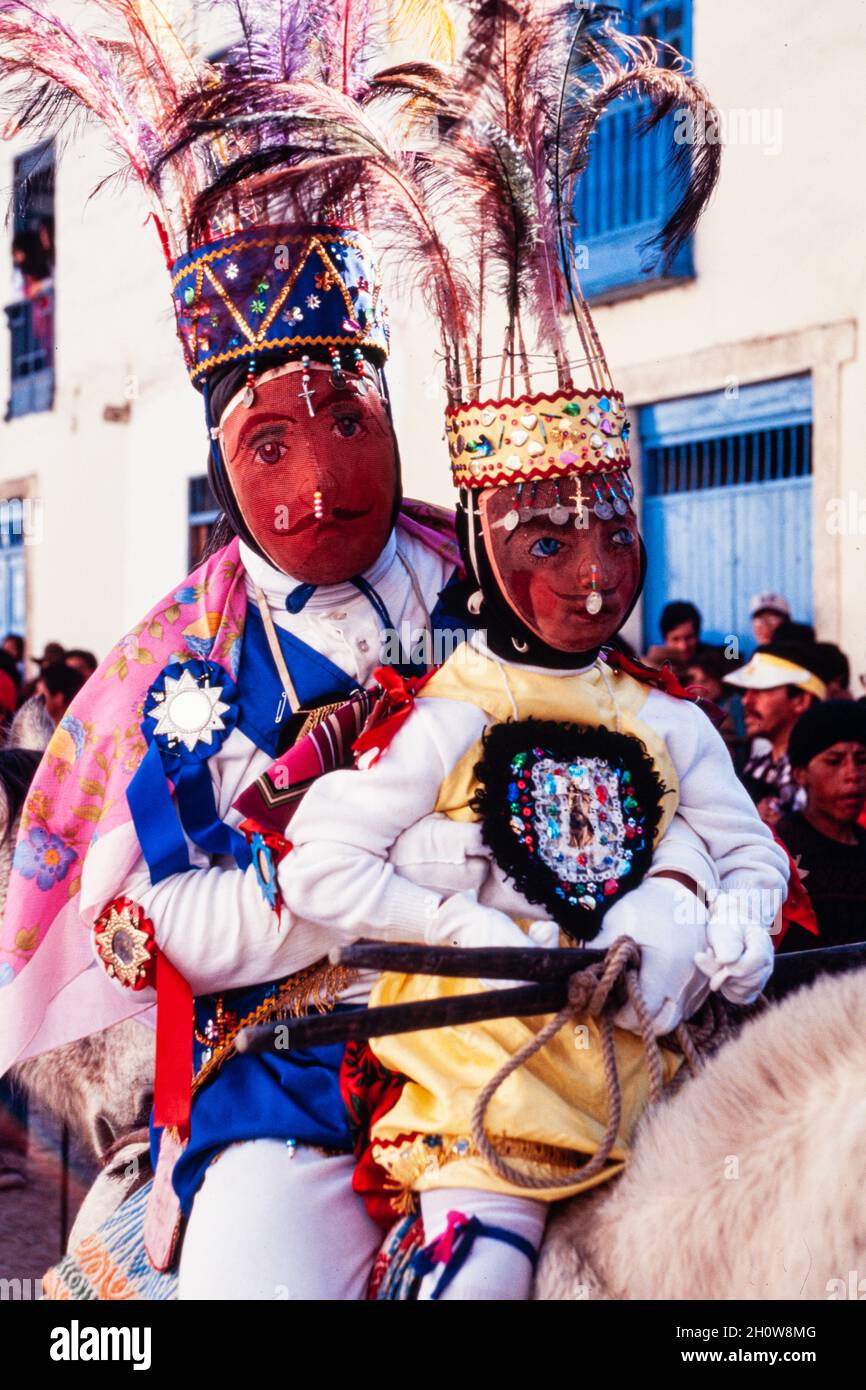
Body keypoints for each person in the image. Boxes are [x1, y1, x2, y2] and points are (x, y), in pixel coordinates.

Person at [283, 14, 787, 1301]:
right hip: (484, 1122)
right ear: (484, 547)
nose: (589, 574)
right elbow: (329, 864)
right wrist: (476, 931)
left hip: (659, 1104)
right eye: (546, 540)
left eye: (612, 535)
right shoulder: (453, 702)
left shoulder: (666, 716)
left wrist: (693, 924)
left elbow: (753, 864)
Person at [0, 1, 468, 1301]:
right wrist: (316, 897)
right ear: (224, 462)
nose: (319, 485)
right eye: (271, 444)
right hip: (297, 1075)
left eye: (346, 421)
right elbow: (135, 920)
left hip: (539, 1033)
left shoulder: (487, 590)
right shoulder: (179, 663)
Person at [775, 701, 866, 950]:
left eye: (861, 759)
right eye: (834, 761)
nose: (853, 775)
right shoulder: (780, 852)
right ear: (800, 774)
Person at [725, 642, 826, 821]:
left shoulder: (819, 776)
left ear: (801, 700)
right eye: (746, 691)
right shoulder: (756, 766)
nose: (746, 701)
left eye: (761, 690)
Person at [644, 599, 717, 673]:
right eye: (675, 639)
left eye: (688, 638)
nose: (683, 647)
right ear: (665, 639)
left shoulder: (715, 659)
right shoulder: (653, 664)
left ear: (697, 635)